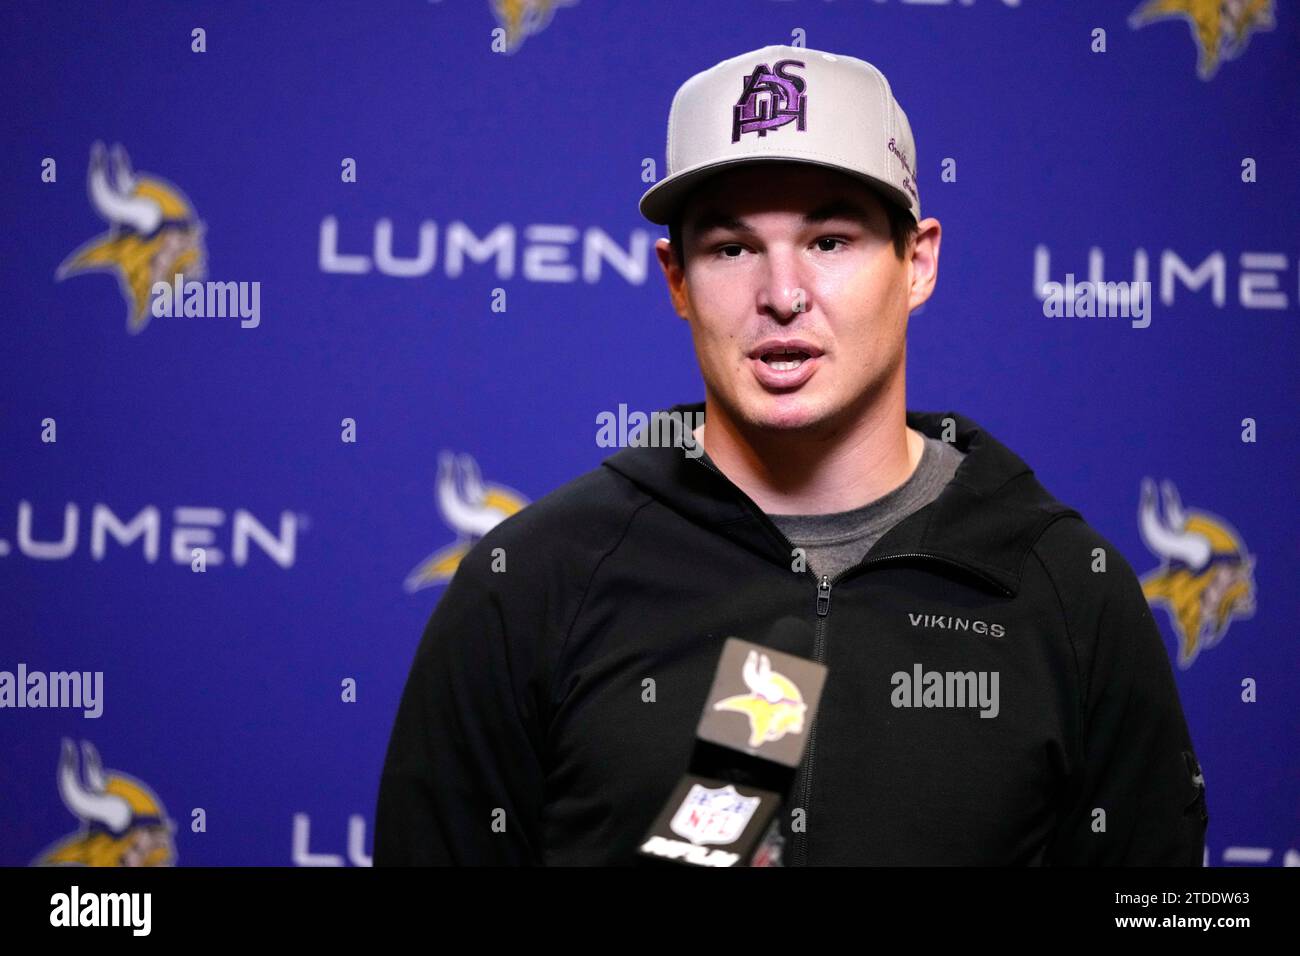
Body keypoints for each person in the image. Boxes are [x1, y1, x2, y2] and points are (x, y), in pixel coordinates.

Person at [374, 44, 1208, 866]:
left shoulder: (1068, 591)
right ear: (676, 278)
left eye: (831, 240)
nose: (781, 294)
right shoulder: (531, 584)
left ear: (916, 262)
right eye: (732, 249)